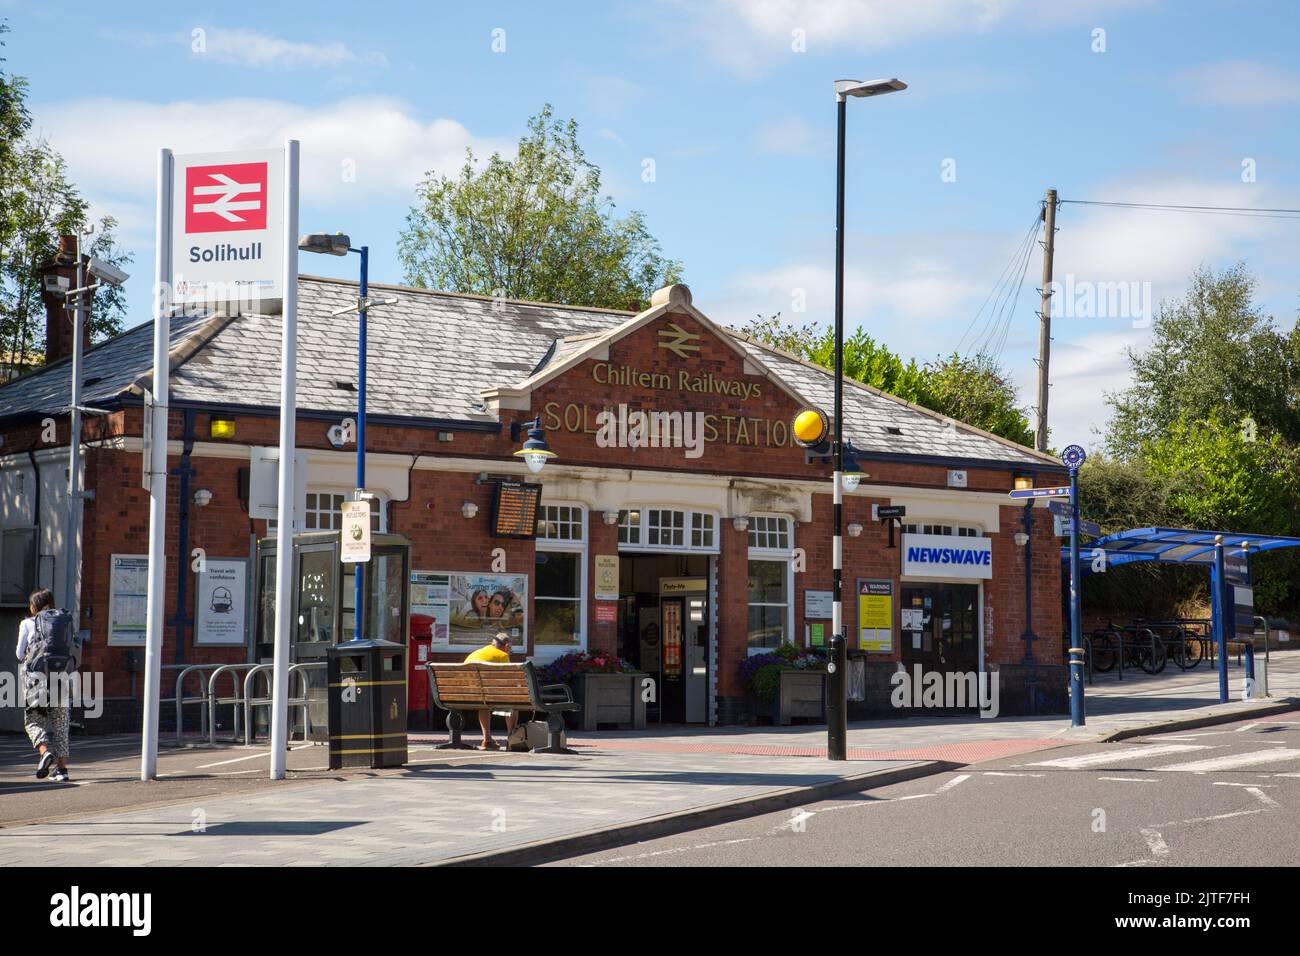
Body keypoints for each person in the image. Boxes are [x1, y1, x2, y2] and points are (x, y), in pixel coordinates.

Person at [16, 589, 73, 782]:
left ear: (33, 607)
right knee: (61, 724)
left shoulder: (27, 623)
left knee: (33, 721)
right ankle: (62, 770)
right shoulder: (62, 622)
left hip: (36, 680)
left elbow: (19, 653)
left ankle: (44, 750)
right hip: (61, 677)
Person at [463, 632, 517, 750]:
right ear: (507, 646)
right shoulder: (502, 655)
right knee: (511, 702)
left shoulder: (476, 653)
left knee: (484, 704)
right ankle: (511, 741)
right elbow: (507, 680)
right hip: (488, 694)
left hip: (467, 694)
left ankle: (487, 739)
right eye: (510, 649)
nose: (509, 651)